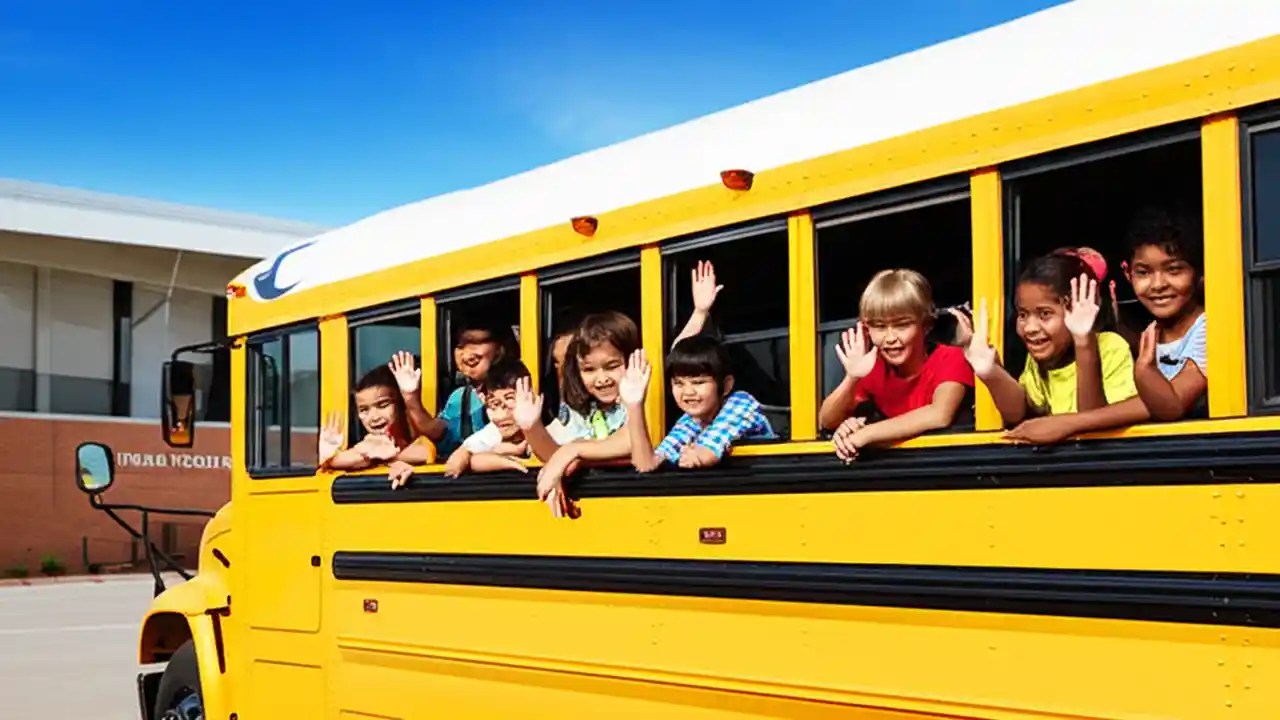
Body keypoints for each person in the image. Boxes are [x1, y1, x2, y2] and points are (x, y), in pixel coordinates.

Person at [966, 252, 1147, 443]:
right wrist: (990, 373)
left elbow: (1093, 424)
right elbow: (1017, 414)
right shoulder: (1040, 358)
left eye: (1044, 314)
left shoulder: (1110, 347)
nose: (1030, 328)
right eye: (1022, 314)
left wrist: (1084, 341)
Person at [818, 269, 974, 462]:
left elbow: (939, 414)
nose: (890, 338)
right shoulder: (873, 367)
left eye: (902, 325)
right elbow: (827, 421)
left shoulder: (951, 358)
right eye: (879, 326)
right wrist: (852, 378)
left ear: (926, 325)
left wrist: (865, 434)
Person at [516, 311, 641, 517]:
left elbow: (634, 439)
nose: (601, 379)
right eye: (589, 370)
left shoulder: (638, 398)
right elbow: (554, 456)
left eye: (612, 366)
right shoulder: (587, 410)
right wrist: (532, 428)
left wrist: (573, 451)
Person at [622, 339, 775, 472]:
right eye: (678, 383)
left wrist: (695, 455)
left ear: (726, 385)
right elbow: (647, 465)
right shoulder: (691, 420)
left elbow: (707, 454)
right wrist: (634, 403)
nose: (688, 392)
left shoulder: (741, 403)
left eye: (698, 382)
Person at [1123, 208, 1207, 421]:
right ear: (1127, 273)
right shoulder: (1148, 333)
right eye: (1143, 272)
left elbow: (1170, 406)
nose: (1158, 285)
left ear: (1201, 272)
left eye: (1174, 270)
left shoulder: (1208, 327)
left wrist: (1144, 371)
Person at [318, 365, 435, 488]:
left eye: (383, 405)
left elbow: (424, 452)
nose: (374, 417)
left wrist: (392, 457)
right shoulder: (370, 444)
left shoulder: (419, 440)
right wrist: (330, 458)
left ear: (401, 404)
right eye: (364, 410)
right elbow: (356, 458)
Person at [443, 357, 536, 477]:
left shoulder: (548, 430)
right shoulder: (491, 433)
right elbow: (461, 457)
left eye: (510, 400)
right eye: (494, 404)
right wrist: (502, 457)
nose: (500, 415)